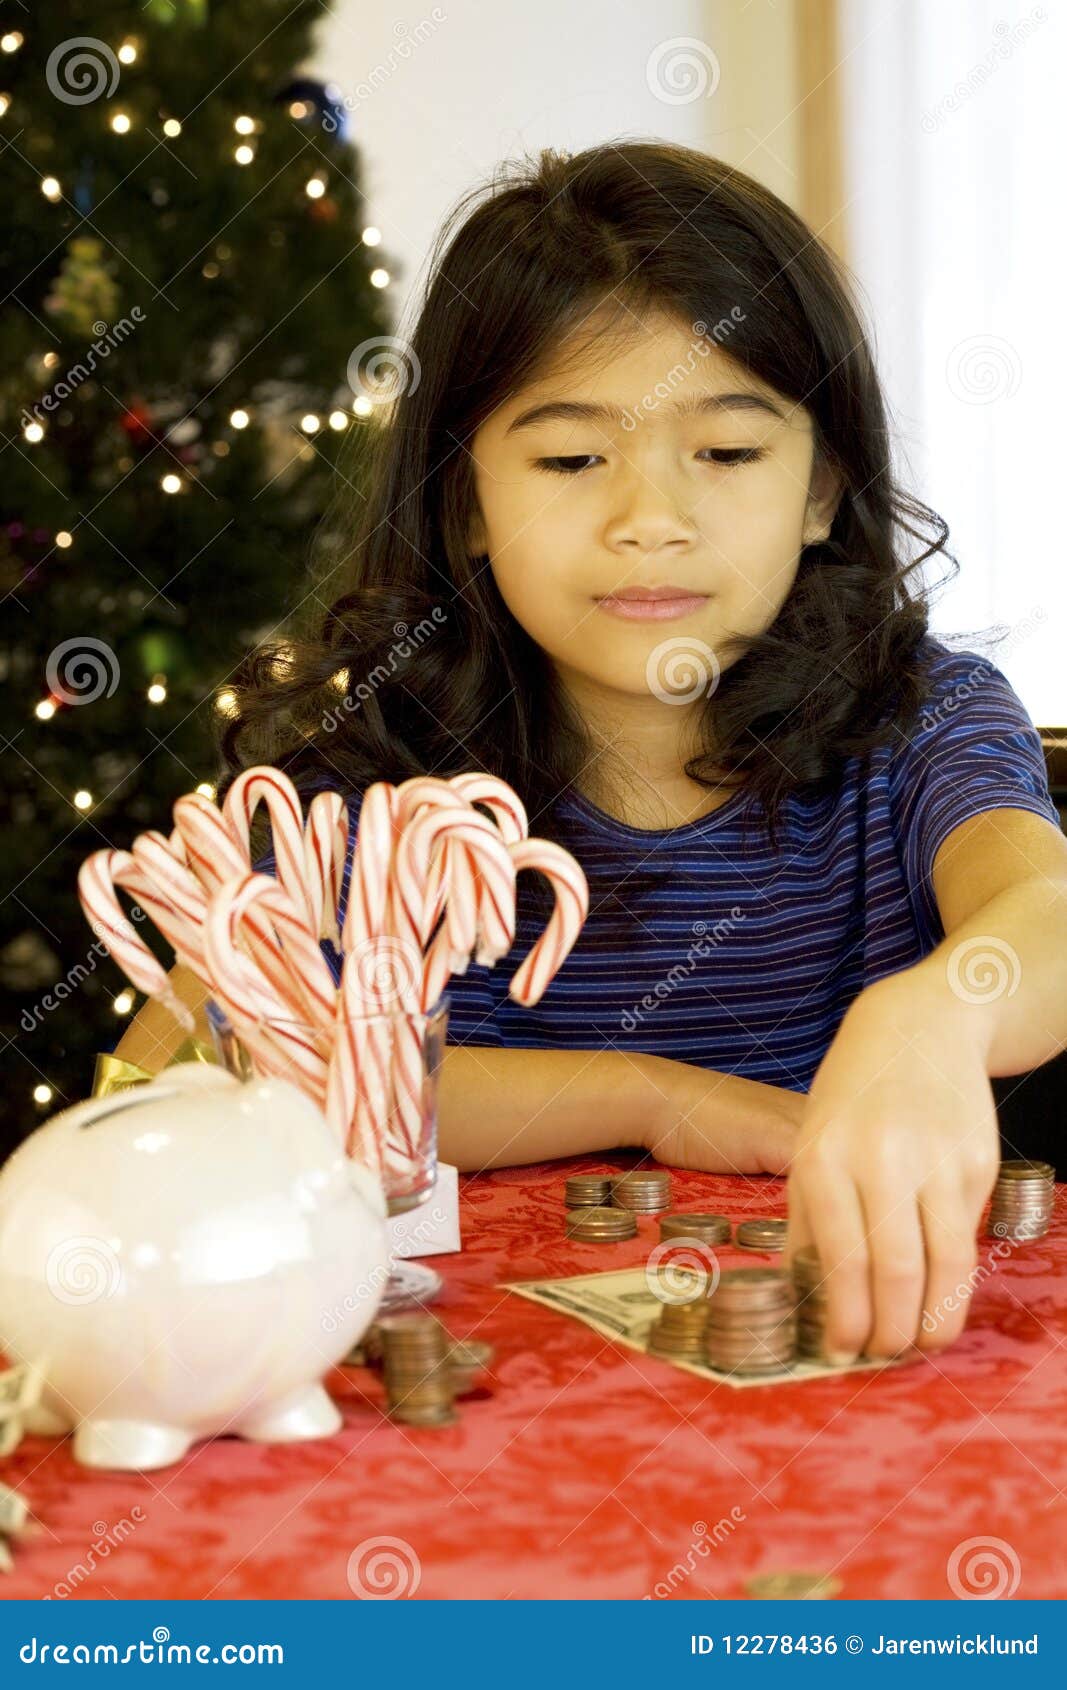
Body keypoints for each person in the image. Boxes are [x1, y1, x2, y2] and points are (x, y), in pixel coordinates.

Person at [114, 141, 1067, 1367]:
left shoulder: (917, 721)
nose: (648, 521)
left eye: (726, 454)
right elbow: (177, 1091)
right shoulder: (367, 794)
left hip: (859, 1430)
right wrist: (653, 1095)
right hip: (463, 1452)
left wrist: (934, 1011)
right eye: (569, 459)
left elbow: (1039, 911)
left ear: (821, 488)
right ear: (465, 501)